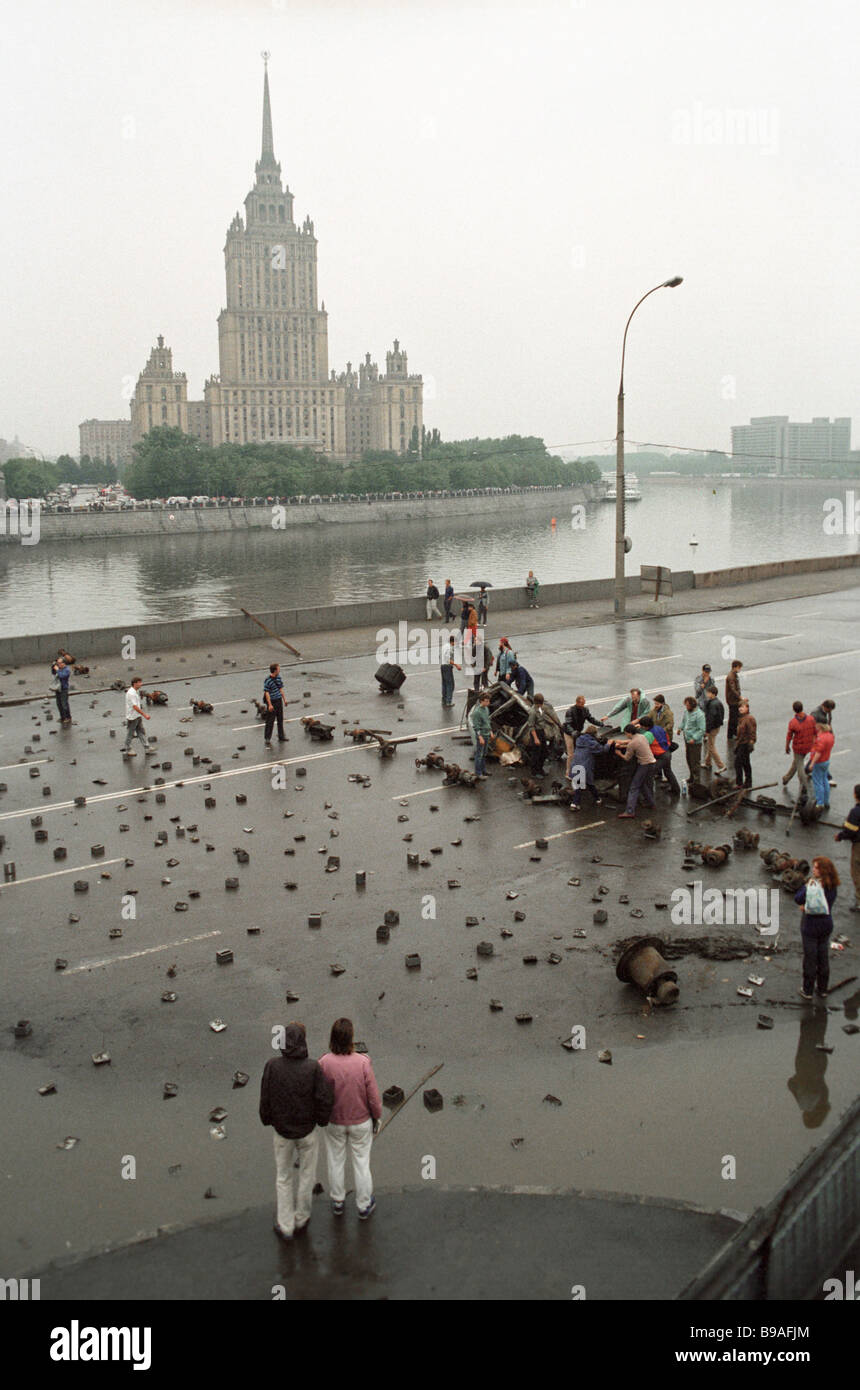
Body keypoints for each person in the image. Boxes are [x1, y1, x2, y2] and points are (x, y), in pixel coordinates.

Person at [259, 1021, 334, 1239]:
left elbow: (266, 1098)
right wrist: (321, 1121)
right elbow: (323, 1098)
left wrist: (268, 1119)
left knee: (283, 1178)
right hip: (307, 1132)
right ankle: (302, 1217)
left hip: (282, 1132)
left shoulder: (272, 1066)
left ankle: (286, 1225)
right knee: (307, 1175)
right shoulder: (312, 1067)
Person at [318, 1018, 382, 1221]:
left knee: (335, 1161)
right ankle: (364, 1205)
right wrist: (377, 1116)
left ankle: (337, 1201)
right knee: (361, 1163)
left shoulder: (324, 1063)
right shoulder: (363, 1062)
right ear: (351, 1038)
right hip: (360, 1121)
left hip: (334, 1122)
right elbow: (373, 1096)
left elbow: (319, 1094)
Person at [794, 858, 839, 1000]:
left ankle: (807, 990)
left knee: (810, 958)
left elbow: (798, 898)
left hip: (810, 925)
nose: (813, 870)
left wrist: (806, 887)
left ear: (822, 871)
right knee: (823, 956)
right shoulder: (832, 885)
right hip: (826, 924)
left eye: (816, 868)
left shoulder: (812, 885)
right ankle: (822, 989)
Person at [615, 724, 657, 819]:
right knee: (642, 784)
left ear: (629, 733)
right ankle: (651, 803)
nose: (626, 735)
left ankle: (630, 811)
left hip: (644, 765)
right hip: (652, 762)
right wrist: (623, 744)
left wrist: (619, 753)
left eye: (626, 734)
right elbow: (634, 743)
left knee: (634, 787)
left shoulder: (632, 744)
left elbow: (626, 758)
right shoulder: (642, 737)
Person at [638, 714, 680, 795]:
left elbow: (641, 743)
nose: (641, 728)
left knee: (649, 775)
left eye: (642, 726)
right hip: (667, 752)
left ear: (646, 726)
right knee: (668, 771)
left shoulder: (649, 734)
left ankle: (649, 797)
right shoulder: (659, 728)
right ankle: (676, 790)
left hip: (660, 757)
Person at [834, 784, 860, 912]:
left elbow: (850, 830)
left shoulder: (856, 812)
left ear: (855, 795)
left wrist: (840, 836)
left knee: (856, 871)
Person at [567, 725, 603, 809]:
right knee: (588, 784)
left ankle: (576, 803)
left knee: (578, 785)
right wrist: (608, 744)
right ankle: (576, 803)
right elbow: (601, 749)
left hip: (575, 765)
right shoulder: (592, 743)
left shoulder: (579, 739)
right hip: (584, 767)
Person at [524, 694, 560, 776]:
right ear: (537, 703)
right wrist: (536, 739)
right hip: (535, 733)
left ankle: (540, 769)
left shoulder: (541, 708)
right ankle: (534, 772)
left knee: (544, 752)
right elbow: (531, 727)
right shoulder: (533, 712)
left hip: (541, 731)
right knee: (536, 754)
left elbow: (548, 715)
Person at [783, 700, 814, 795]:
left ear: (794, 710)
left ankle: (803, 784)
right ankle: (786, 778)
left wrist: (787, 746)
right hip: (808, 745)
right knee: (796, 762)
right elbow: (815, 731)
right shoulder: (811, 719)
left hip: (798, 747)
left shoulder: (793, 723)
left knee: (800, 765)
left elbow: (789, 736)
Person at [562, 695, 597, 772]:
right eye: (582, 704)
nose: (583, 706)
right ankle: (568, 772)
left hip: (577, 733)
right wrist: (572, 732)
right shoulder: (570, 711)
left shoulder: (585, 710)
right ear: (577, 703)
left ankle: (575, 768)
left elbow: (590, 719)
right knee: (571, 754)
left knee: (577, 752)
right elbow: (568, 724)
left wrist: (599, 723)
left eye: (584, 704)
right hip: (568, 734)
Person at [808, 721, 835, 810]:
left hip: (819, 762)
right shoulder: (830, 736)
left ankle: (820, 803)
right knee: (825, 781)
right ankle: (826, 801)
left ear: (820, 726)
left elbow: (818, 752)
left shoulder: (821, 738)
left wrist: (812, 763)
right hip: (826, 761)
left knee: (818, 783)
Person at [680, 695, 705, 784]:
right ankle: (691, 777)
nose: (686, 707)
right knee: (689, 759)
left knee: (695, 762)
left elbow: (702, 730)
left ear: (693, 705)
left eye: (687, 705)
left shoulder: (699, 715)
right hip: (687, 739)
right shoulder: (687, 712)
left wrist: (694, 738)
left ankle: (696, 781)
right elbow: (684, 721)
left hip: (695, 743)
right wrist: (680, 728)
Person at [123, 676, 151, 755]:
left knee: (141, 731)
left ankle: (147, 747)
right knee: (130, 733)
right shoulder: (131, 693)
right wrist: (144, 714)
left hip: (137, 716)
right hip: (132, 717)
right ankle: (128, 749)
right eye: (139, 682)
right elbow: (134, 706)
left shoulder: (135, 691)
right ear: (135, 683)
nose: (141, 684)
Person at [263, 661, 287, 747]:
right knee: (270, 721)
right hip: (272, 701)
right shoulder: (268, 680)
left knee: (280, 719)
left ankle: (281, 736)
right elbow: (267, 693)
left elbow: (281, 689)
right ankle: (267, 738)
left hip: (278, 700)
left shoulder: (278, 678)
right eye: (278, 669)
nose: (279, 670)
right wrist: (269, 705)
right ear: (275, 670)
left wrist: (284, 700)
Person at [734, 700, 756, 789]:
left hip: (745, 744)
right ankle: (747, 782)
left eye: (742, 707)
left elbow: (752, 732)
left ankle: (741, 783)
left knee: (738, 763)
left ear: (747, 708)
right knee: (745, 763)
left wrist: (751, 742)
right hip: (740, 743)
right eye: (739, 707)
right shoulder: (742, 718)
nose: (740, 709)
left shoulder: (749, 719)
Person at [703, 687, 726, 772]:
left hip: (712, 728)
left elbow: (710, 718)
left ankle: (721, 766)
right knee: (710, 744)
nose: (706, 694)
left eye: (708, 693)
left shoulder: (713, 704)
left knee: (711, 747)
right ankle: (707, 762)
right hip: (716, 726)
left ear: (713, 694)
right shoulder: (717, 702)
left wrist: (707, 730)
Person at [470, 693, 492, 779]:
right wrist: (480, 737)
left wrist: (491, 731)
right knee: (479, 754)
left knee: (484, 754)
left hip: (486, 734)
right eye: (486, 701)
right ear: (481, 701)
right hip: (482, 735)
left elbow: (487, 721)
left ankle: (483, 770)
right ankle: (478, 773)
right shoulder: (477, 712)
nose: (488, 703)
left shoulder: (486, 709)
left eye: (488, 701)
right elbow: (476, 726)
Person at [725, 659, 743, 740]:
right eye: (739, 667)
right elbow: (733, 689)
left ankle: (733, 733)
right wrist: (740, 698)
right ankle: (731, 734)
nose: (740, 669)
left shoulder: (733, 675)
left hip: (734, 700)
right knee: (733, 718)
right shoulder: (731, 676)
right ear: (735, 667)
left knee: (735, 717)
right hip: (733, 700)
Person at [440, 634, 460, 708]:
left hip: (442, 666)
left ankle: (444, 699)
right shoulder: (450, 648)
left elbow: (440, 656)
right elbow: (448, 659)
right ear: (453, 642)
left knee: (444, 684)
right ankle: (448, 701)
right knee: (450, 685)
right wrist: (456, 665)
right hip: (447, 667)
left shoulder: (444, 646)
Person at [51, 657, 72, 725]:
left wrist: (57, 670)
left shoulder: (67, 670)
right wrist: (53, 666)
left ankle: (68, 717)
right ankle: (62, 717)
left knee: (64, 704)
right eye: (57, 663)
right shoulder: (59, 669)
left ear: (64, 663)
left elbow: (62, 676)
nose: (58, 664)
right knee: (59, 704)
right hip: (58, 688)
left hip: (63, 689)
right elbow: (53, 673)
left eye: (59, 663)